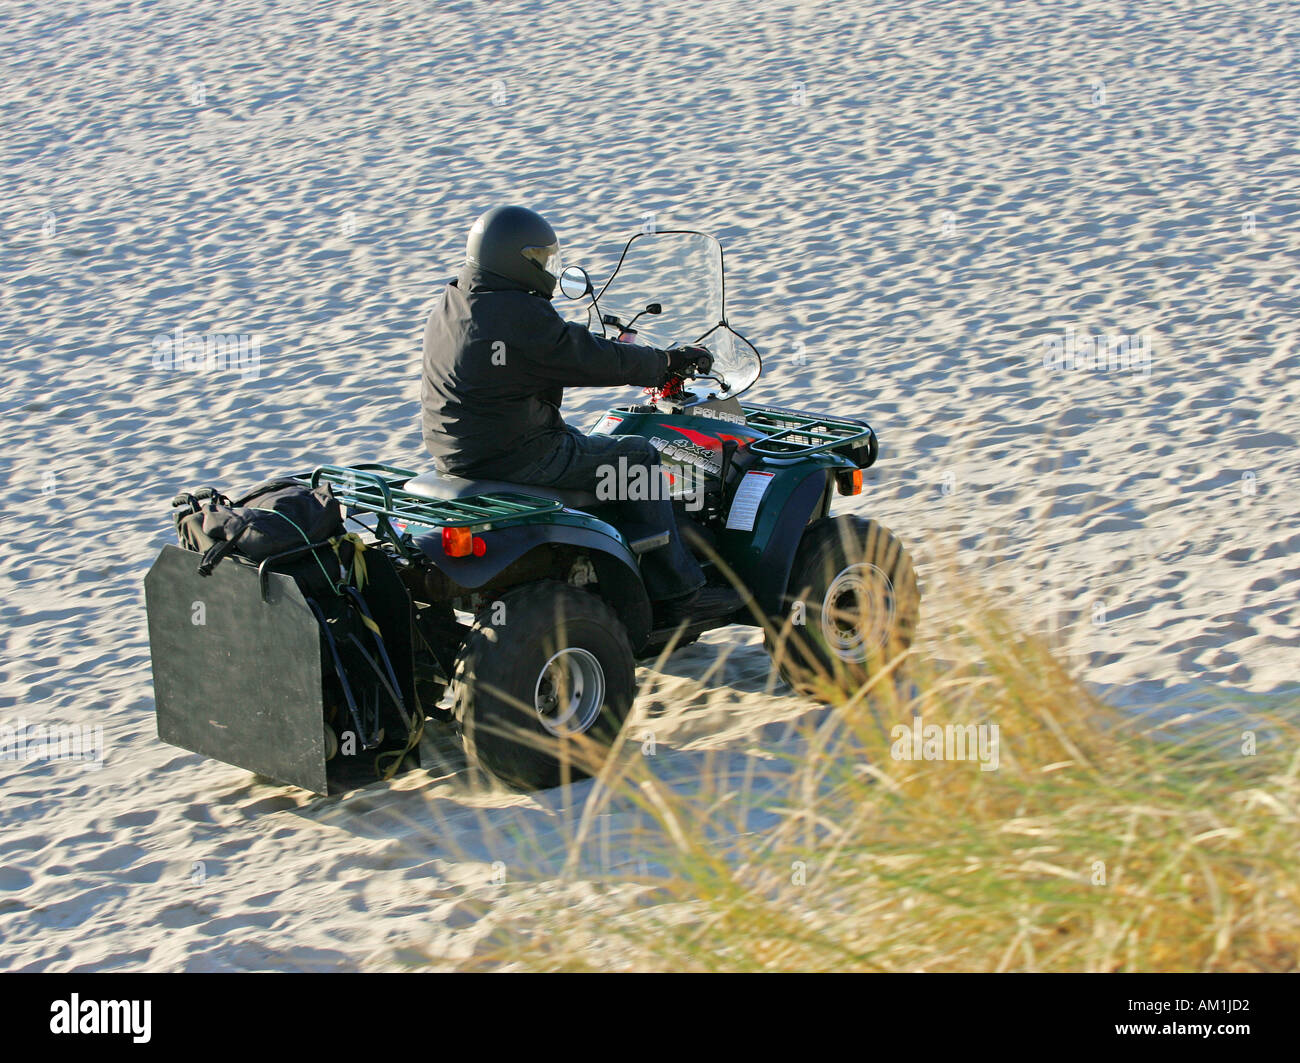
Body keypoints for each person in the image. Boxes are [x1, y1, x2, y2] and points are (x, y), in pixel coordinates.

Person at [420, 205, 743, 626]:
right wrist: (666, 361)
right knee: (638, 457)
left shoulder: (456, 299)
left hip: (458, 450)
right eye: (538, 259)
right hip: (517, 454)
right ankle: (679, 593)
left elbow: (550, 350)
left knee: (593, 445)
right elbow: (590, 359)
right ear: (511, 258)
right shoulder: (517, 314)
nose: (545, 268)